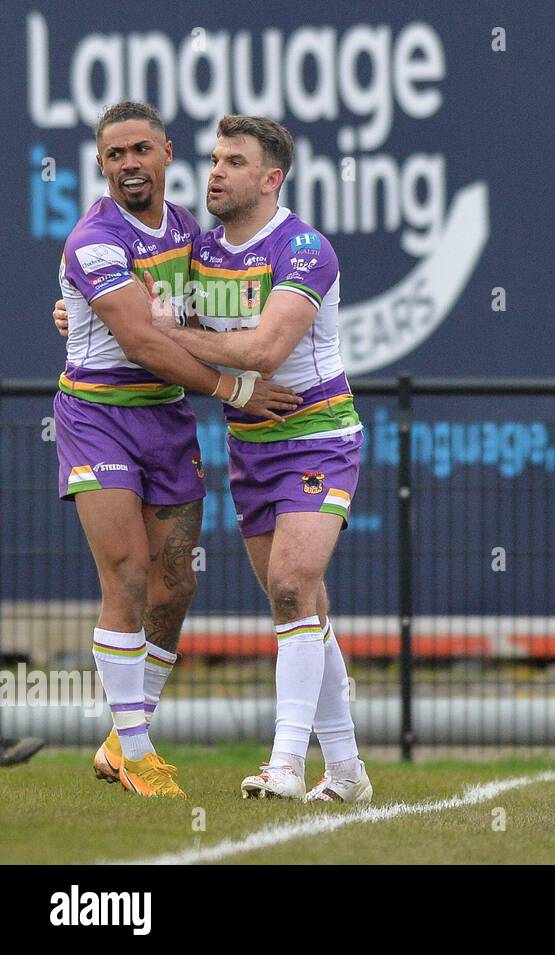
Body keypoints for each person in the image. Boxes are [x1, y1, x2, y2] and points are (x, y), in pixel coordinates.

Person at [56, 102, 300, 798]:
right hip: (97, 416)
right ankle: (138, 749)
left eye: (140, 150)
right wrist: (234, 388)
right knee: (128, 577)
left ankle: (119, 740)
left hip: (165, 418)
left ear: (166, 154)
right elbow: (143, 341)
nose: (128, 163)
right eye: (114, 155)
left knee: (176, 587)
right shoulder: (93, 240)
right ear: (101, 165)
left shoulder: (189, 230)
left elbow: (192, 318)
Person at [147, 115, 369, 802]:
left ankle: (284, 763)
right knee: (302, 602)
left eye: (234, 162)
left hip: (318, 436)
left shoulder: (304, 248)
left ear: (271, 179)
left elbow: (264, 351)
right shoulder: (201, 251)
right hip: (250, 445)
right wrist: (81, 314)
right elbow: (139, 310)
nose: (215, 172)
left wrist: (168, 328)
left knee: (291, 586)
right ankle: (348, 770)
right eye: (214, 159)